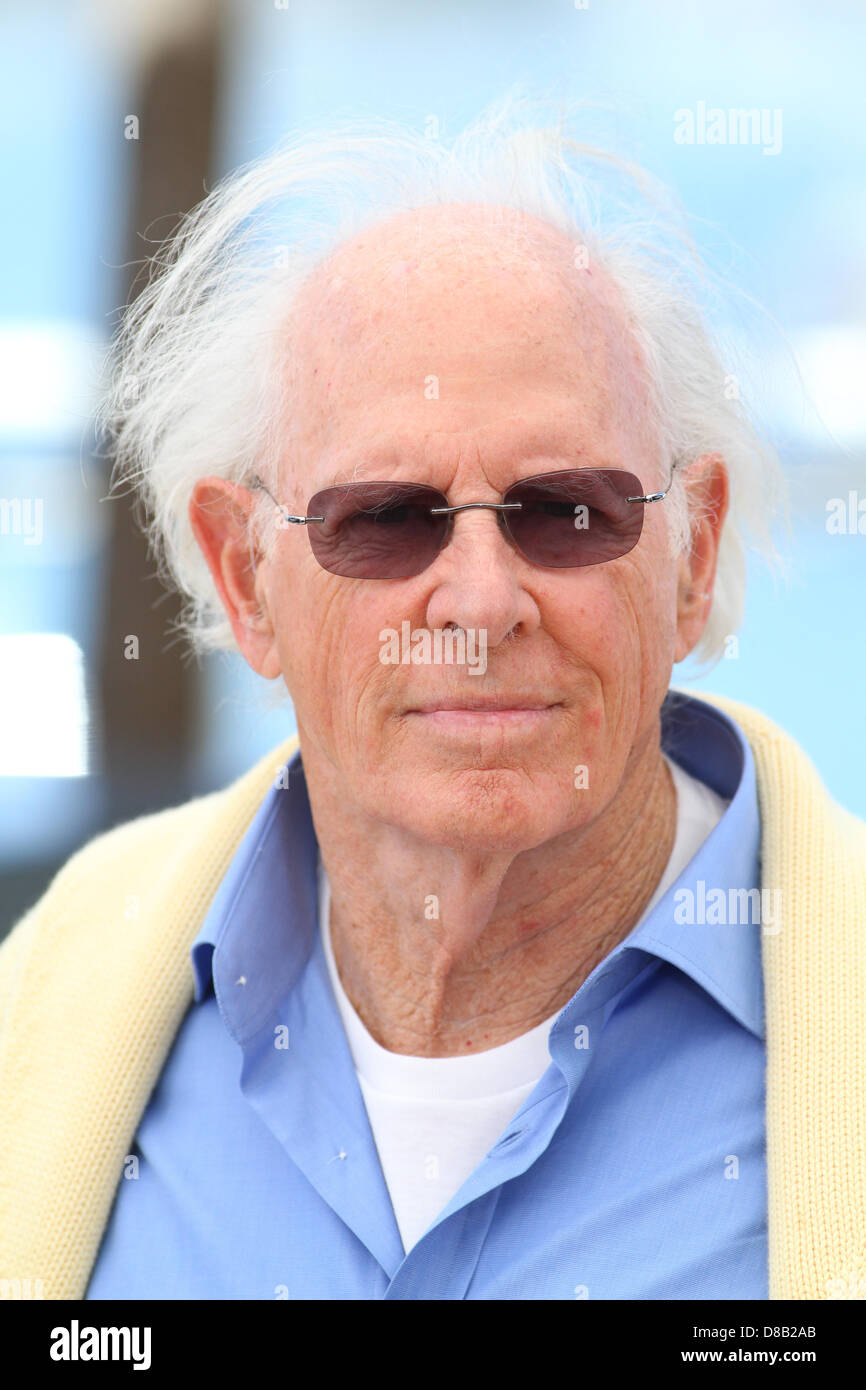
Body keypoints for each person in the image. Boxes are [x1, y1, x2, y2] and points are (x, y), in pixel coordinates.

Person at [2, 98, 864, 1302]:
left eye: (563, 510)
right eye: (386, 519)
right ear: (246, 577)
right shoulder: (48, 1000)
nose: (478, 600)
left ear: (694, 554)